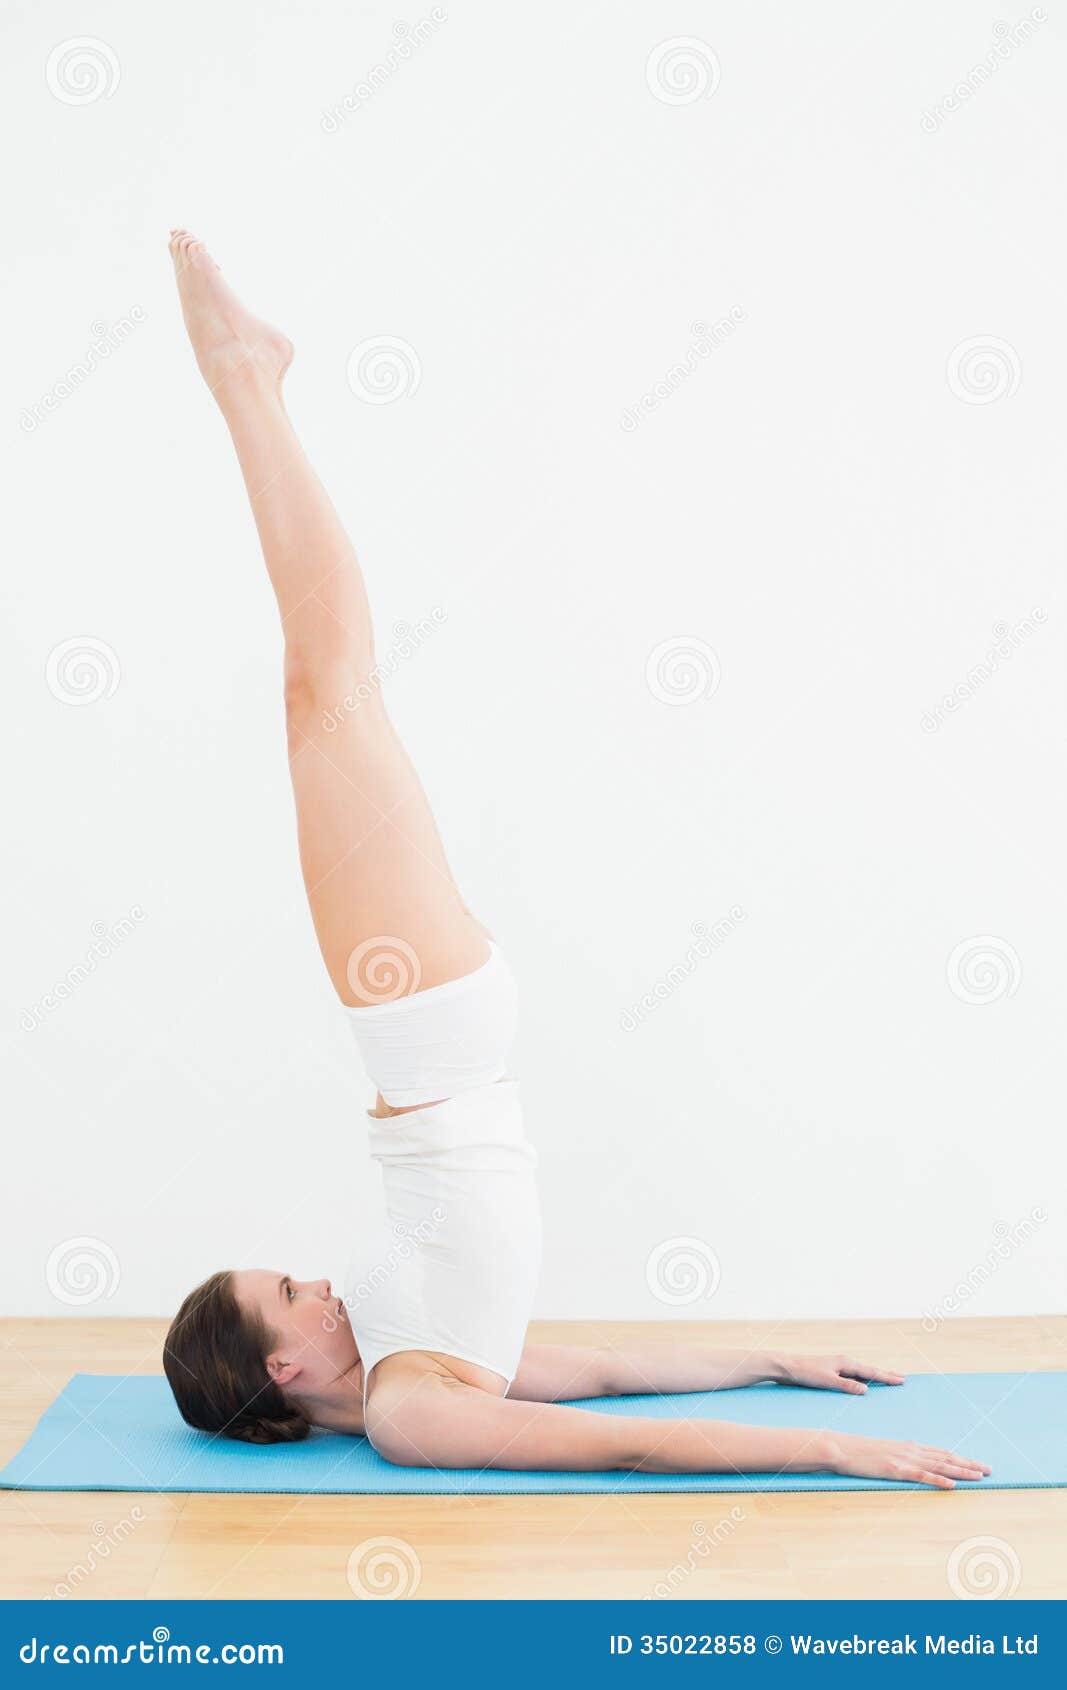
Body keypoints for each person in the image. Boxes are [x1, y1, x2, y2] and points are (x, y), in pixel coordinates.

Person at [161, 232, 990, 1491]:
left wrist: (767, 1357)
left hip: (434, 1042)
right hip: (428, 1037)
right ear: (283, 1367)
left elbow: (597, 1368)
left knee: (328, 692)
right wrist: (826, 1445)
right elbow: (616, 1433)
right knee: (325, 688)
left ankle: (249, 381)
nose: (315, 1281)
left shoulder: (403, 1352)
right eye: (290, 1293)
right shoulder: (412, 1412)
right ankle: (246, 379)